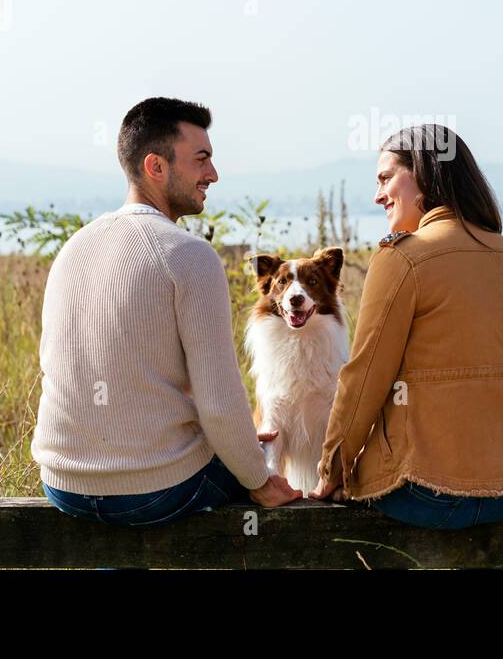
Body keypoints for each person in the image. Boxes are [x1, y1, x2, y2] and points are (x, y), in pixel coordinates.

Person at [32, 97, 301, 526]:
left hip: (62, 482)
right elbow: (218, 400)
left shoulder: (74, 247)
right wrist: (257, 475)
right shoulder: (190, 256)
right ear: (156, 167)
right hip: (152, 490)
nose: (213, 175)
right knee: (256, 477)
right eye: (201, 160)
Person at [309, 124, 503, 529]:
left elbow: (365, 377)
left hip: (432, 490)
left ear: (422, 175)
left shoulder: (404, 257)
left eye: (386, 178)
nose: (377, 195)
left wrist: (333, 469)